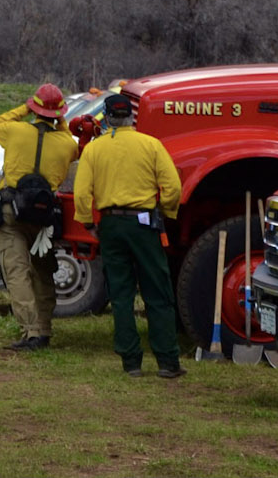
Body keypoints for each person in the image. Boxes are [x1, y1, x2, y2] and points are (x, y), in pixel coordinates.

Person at [74, 91, 185, 378]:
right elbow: (172, 187)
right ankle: (167, 361)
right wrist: (167, 214)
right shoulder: (151, 145)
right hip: (145, 224)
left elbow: (82, 191)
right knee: (157, 292)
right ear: (132, 117)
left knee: (121, 294)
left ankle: (131, 362)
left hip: (111, 225)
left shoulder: (95, 150)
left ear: (108, 118)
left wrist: (88, 223)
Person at [0, 82, 77, 350]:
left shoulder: (15, 131)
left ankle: (31, 331)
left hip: (10, 212)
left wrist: (25, 108)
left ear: (34, 108)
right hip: (42, 217)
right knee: (42, 271)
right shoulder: (66, 144)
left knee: (17, 272)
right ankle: (45, 328)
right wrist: (60, 121)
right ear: (60, 114)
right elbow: (71, 144)